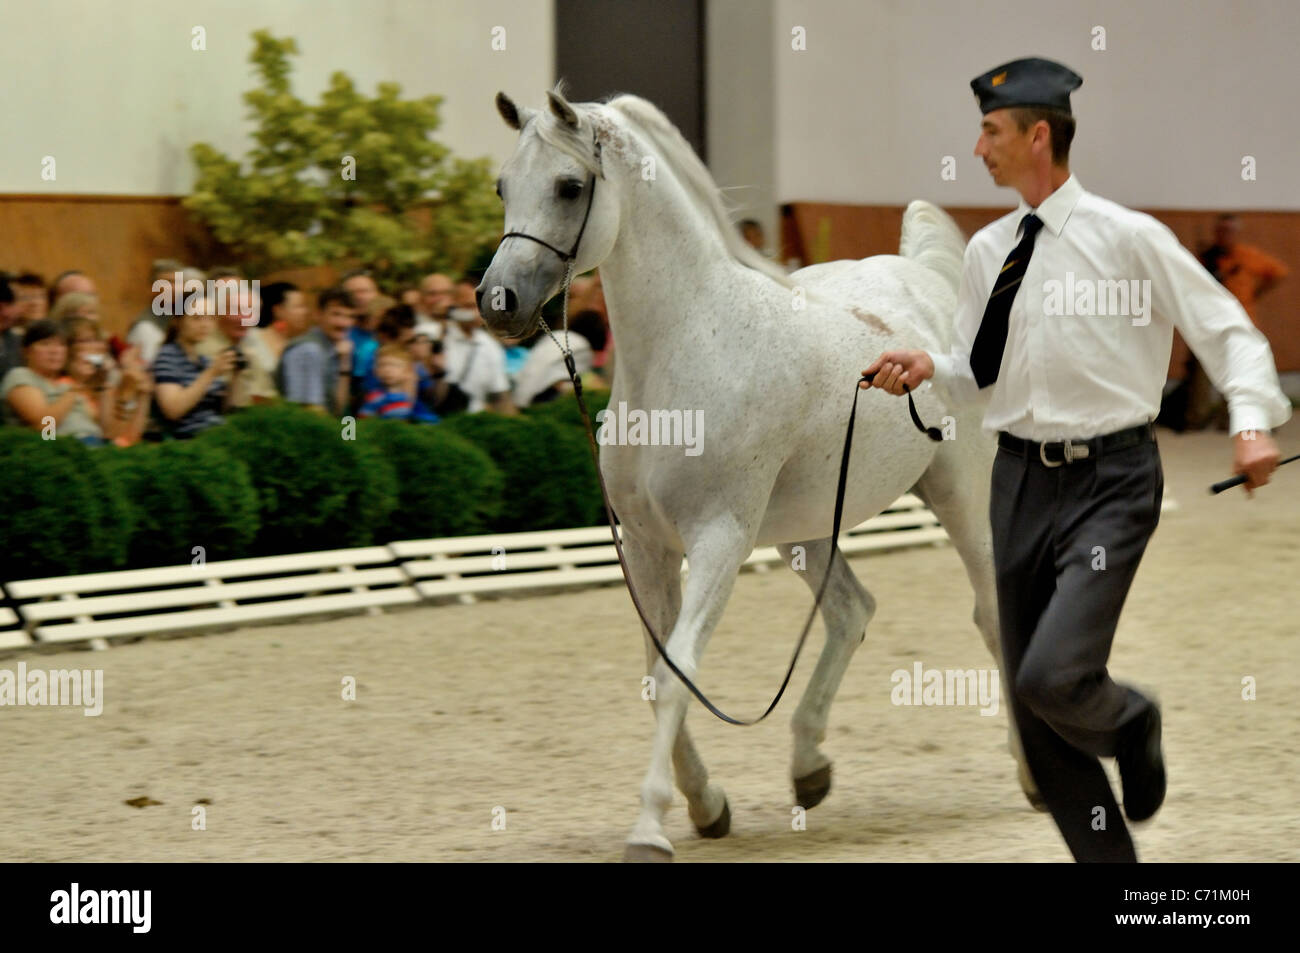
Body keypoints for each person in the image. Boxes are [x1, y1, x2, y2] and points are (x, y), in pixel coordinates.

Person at [862, 56, 1289, 863]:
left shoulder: (1128, 238)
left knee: (1053, 674)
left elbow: (1226, 329)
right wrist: (926, 366)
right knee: (1034, 715)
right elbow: (975, 369)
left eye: (991, 130)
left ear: (1039, 135)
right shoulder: (991, 251)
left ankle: (1134, 720)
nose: (977, 146)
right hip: (1017, 480)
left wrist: (1252, 420)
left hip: (1112, 480)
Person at [1184, 215, 1290, 429]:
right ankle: (1197, 417)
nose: (1225, 235)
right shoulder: (1206, 258)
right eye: (1221, 231)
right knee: (1201, 374)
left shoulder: (1246, 256)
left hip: (1241, 321)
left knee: (1238, 370)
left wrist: (1255, 293)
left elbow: (1279, 272)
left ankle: (1231, 418)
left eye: (1229, 231)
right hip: (1209, 323)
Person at [1, 319, 107, 444]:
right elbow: (45, 429)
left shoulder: (65, 383)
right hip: (59, 451)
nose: (55, 351)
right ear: (26, 351)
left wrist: (106, 385)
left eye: (61, 345)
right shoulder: (20, 376)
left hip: (95, 442)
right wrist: (75, 388)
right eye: (45, 344)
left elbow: (104, 430)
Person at [152, 299, 238, 438]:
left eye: (210, 318)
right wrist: (211, 373)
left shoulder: (203, 360)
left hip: (218, 432)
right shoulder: (167, 355)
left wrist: (236, 375)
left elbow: (225, 409)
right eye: (196, 318)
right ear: (177, 321)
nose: (205, 325)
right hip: (190, 440)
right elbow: (173, 410)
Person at [196, 283, 277, 408]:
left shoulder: (248, 350)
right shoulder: (201, 348)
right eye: (237, 310)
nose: (245, 318)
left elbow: (268, 396)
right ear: (217, 313)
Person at [277, 287, 355, 415]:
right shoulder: (309, 350)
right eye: (336, 314)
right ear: (318, 315)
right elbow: (308, 410)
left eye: (350, 316)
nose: (343, 323)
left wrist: (344, 362)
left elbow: (339, 408)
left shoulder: (337, 348)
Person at [441, 301, 515, 414]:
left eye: (481, 306)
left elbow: (500, 394)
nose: (477, 312)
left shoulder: (489, 344)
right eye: (469, 306)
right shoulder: (438, 336)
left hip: (476, 417)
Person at [357, 344, 439, 422]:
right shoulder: (375, 397)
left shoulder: (412, 397)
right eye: (382, 365)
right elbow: (364, 422)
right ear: (376, 371)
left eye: (394, 365)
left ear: (408, 371)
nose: (387, 370)